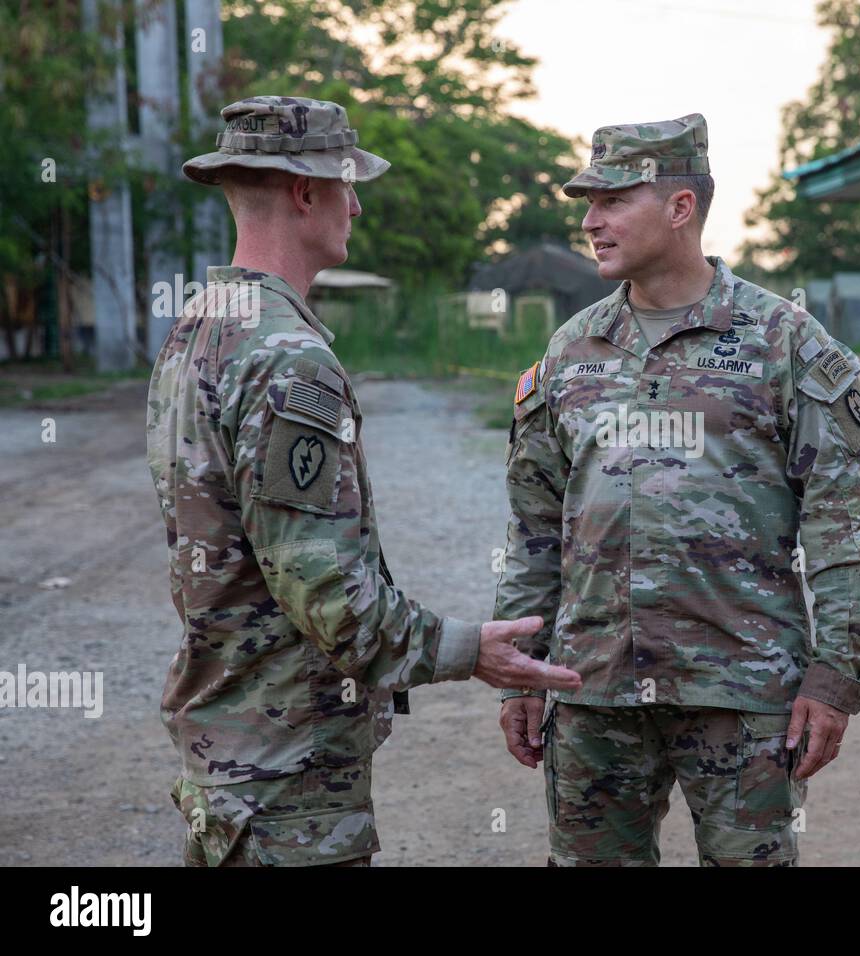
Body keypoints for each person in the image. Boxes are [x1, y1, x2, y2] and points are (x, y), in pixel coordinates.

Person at [148, 95, 579, 867]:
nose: (355, 202)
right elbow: (333, 603)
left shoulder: (199, 327)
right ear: (304, 192)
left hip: (235, 750)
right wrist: (468, 648)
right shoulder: (286, 357)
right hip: (286, 776)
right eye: (346, 183)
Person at [494, 114, 860, 866]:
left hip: (741, 693)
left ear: (681, 208)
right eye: (587, 201)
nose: (591, 220)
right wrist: (520, 668)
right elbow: (534, 524)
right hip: (592, 687)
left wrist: (837, 676)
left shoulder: (785, 342)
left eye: (613, 200)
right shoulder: (571, 347)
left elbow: (844, 526)